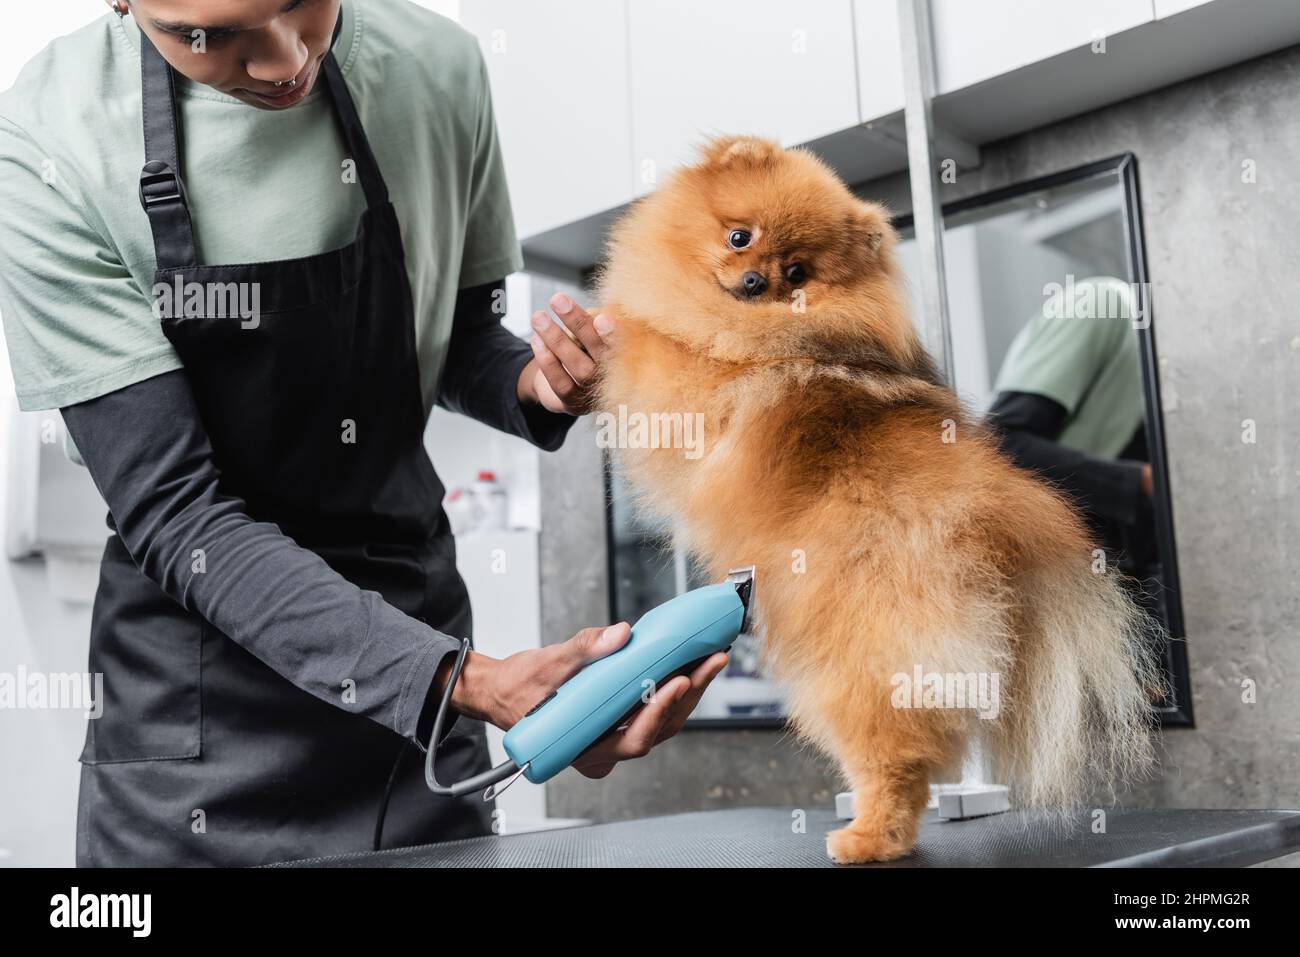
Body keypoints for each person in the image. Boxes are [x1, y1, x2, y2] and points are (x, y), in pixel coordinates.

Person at [0, 0, 726, 866]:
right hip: (197, 718)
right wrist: (465, 680)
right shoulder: (47, 145)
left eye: (302, 3)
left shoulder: (437, 68)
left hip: (417, 708)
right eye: (218, 37)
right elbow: (178, 513)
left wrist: (539, 384)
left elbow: (455, 336)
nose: (283, 61)